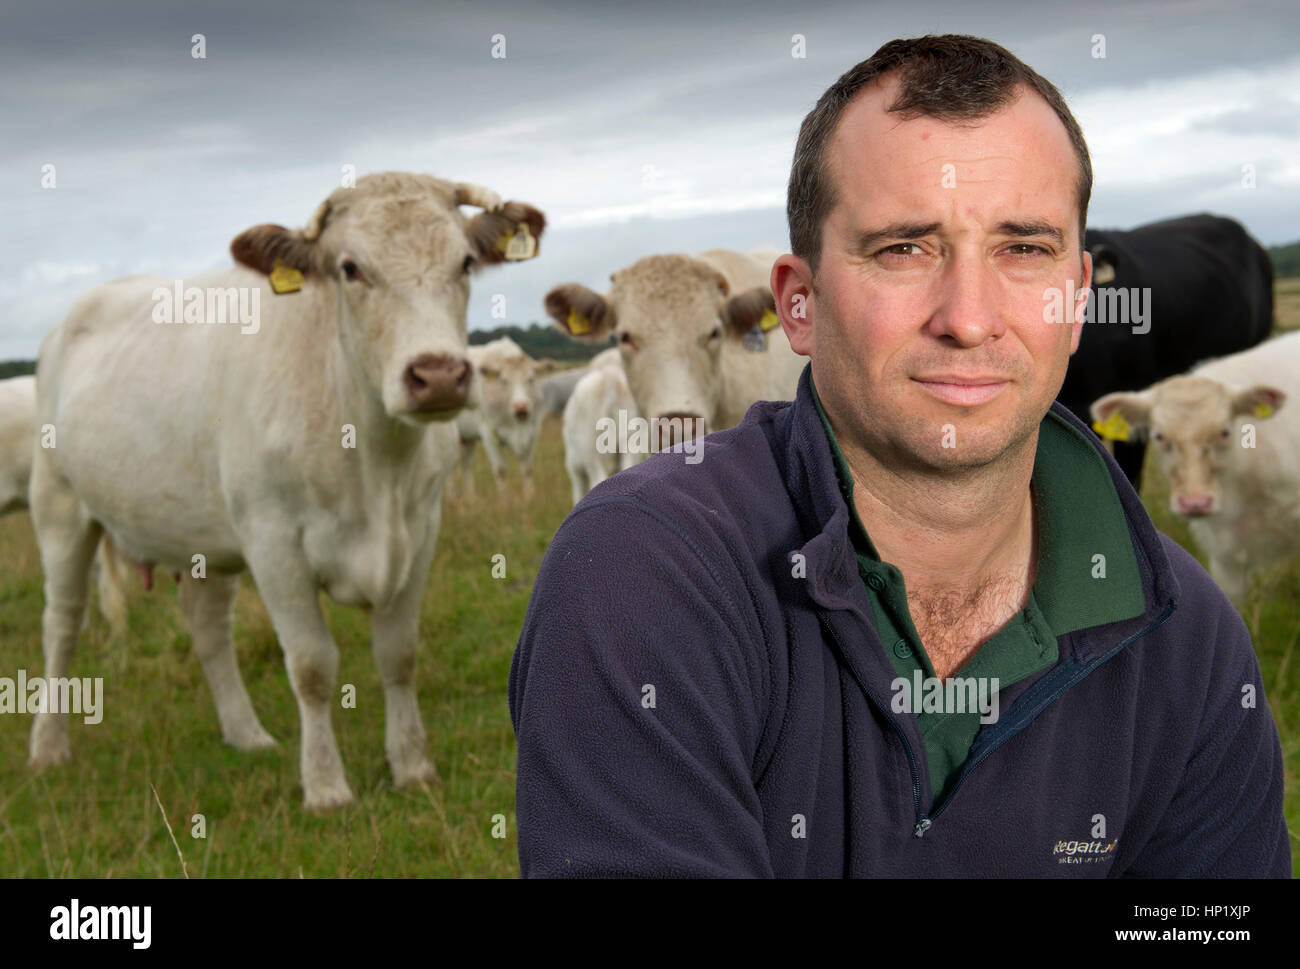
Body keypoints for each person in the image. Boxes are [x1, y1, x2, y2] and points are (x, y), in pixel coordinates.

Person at [508, 34, 1290, 877]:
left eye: (1023, 248)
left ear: (1077, 305)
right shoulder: (644, 575)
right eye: (903, 250)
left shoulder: (1188, 635)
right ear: (798, 306)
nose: (968, 316)